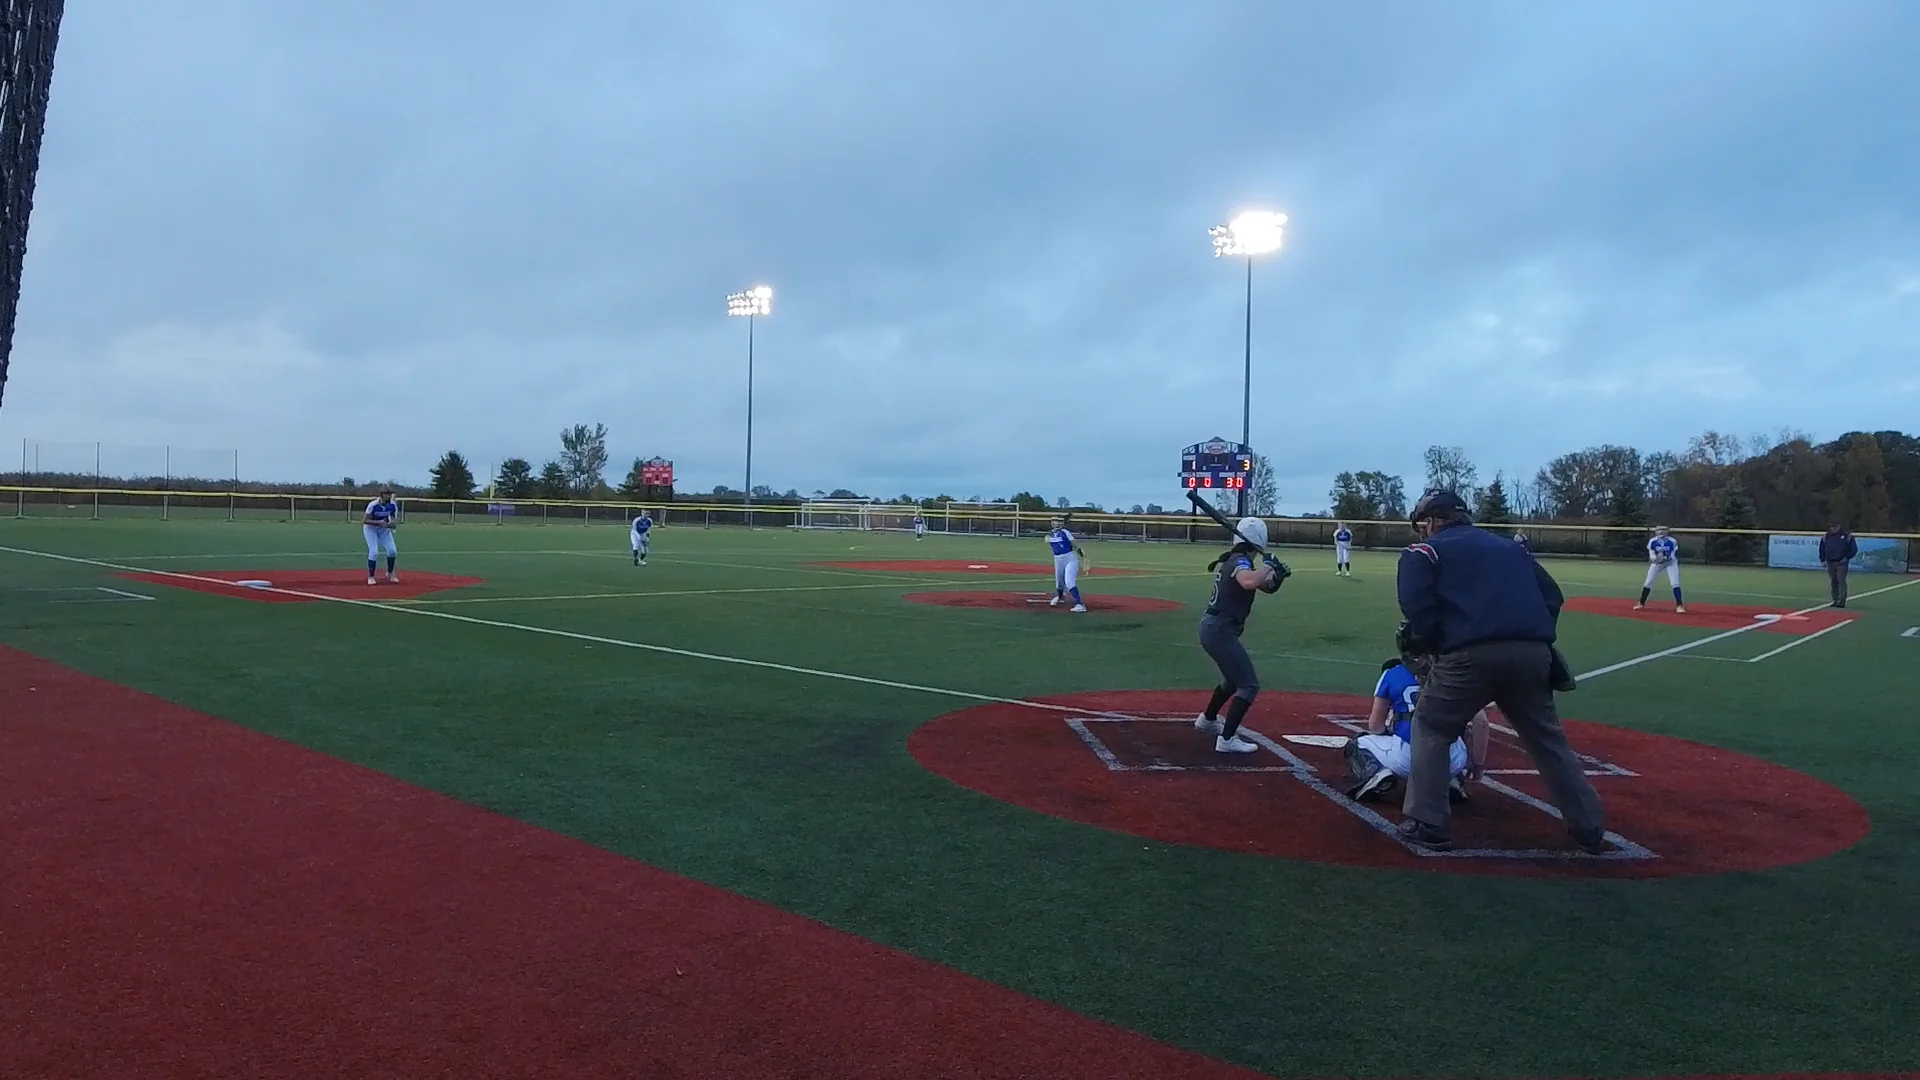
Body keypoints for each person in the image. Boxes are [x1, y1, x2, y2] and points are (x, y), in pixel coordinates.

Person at [1394, 489, 1606, 853]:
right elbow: (1552, 597)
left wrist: (1429, 644)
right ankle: (1589, 826)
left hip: (1466, 657)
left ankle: (1428, 823)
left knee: (1431, 727)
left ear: (1431, 522)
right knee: (1547, 740)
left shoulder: (1424, 552)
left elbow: (1418, 609)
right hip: (1532, 653)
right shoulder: (1512, 549)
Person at [1192, 518, 1290, 753]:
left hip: (1217, 627)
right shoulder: (1240, 561)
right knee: (1249, 685)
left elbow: (1265, 586)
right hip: (1220, 629)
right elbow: (1248, 582)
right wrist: (1267, 565)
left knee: (1232, 681)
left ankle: (1208, 719)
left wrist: (1277, 576)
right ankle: (1226, 740)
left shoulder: (1238, 559)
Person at [1345, 649, 1488, 804]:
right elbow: (1481, 722)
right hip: (1451, 760)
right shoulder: (1455, 674)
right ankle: (1453, 779)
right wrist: (1478, 765)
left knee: (1358, 743)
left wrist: (1392, 732)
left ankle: (1377, 773)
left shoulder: (1392, 673)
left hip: (1406, 760)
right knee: (1458, 732)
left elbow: (1375, 726)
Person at [1637, 526, 1685, 613]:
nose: (1661, 532)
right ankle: (1641, 603)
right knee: (1648, 582)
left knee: (1675, 583)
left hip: (1670, 563)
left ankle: (1679, 605)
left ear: (1667, 531)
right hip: (1657, 563)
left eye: (1663, 530)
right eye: (1659, 530)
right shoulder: (1652, 541)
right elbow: (1651, 554)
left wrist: (1664, 558)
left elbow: (1672, 555)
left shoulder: (1672, 541)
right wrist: (1655, 558)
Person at [1046, 516, 1087, 612]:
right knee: (1059, 583)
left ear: (1060, 523)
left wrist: (1082, 555)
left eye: (1055, 521)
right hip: (1058, 559)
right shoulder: (1050, 534)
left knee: (1069, 582)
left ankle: (1080, 605)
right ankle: (1060, 597)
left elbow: (1074, 545)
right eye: (1052, 521)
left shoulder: (1065, 532)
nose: (1053, 523)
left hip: (1069, 558)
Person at [361, 487, 400, 585]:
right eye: (386, 494)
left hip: (384, 530)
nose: (388, 495)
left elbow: (394, 518)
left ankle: (390, 572)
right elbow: (364, 520)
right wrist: (379, 522)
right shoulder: (373, 505)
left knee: (392, 551)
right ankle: (371, 576)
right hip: (371, 529)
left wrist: (392, 524)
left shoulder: (392, 505)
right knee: (374, 552)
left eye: (389, 494)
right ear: (381, 495)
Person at [1819, 523, 1858, 608]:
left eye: (1834, 526)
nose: (1832, 528)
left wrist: (1847, 557)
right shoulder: (1826, 536)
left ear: (1839, 526)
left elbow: (1854, 549)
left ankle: (1842, 601)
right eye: (1831, 527)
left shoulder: (1847, 536)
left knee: (1841, 581)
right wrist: (1822, 559)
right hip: (1830, 562)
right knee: (1833, 581)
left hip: (1841, 562)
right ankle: (1835, 599)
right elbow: (1822, 548)